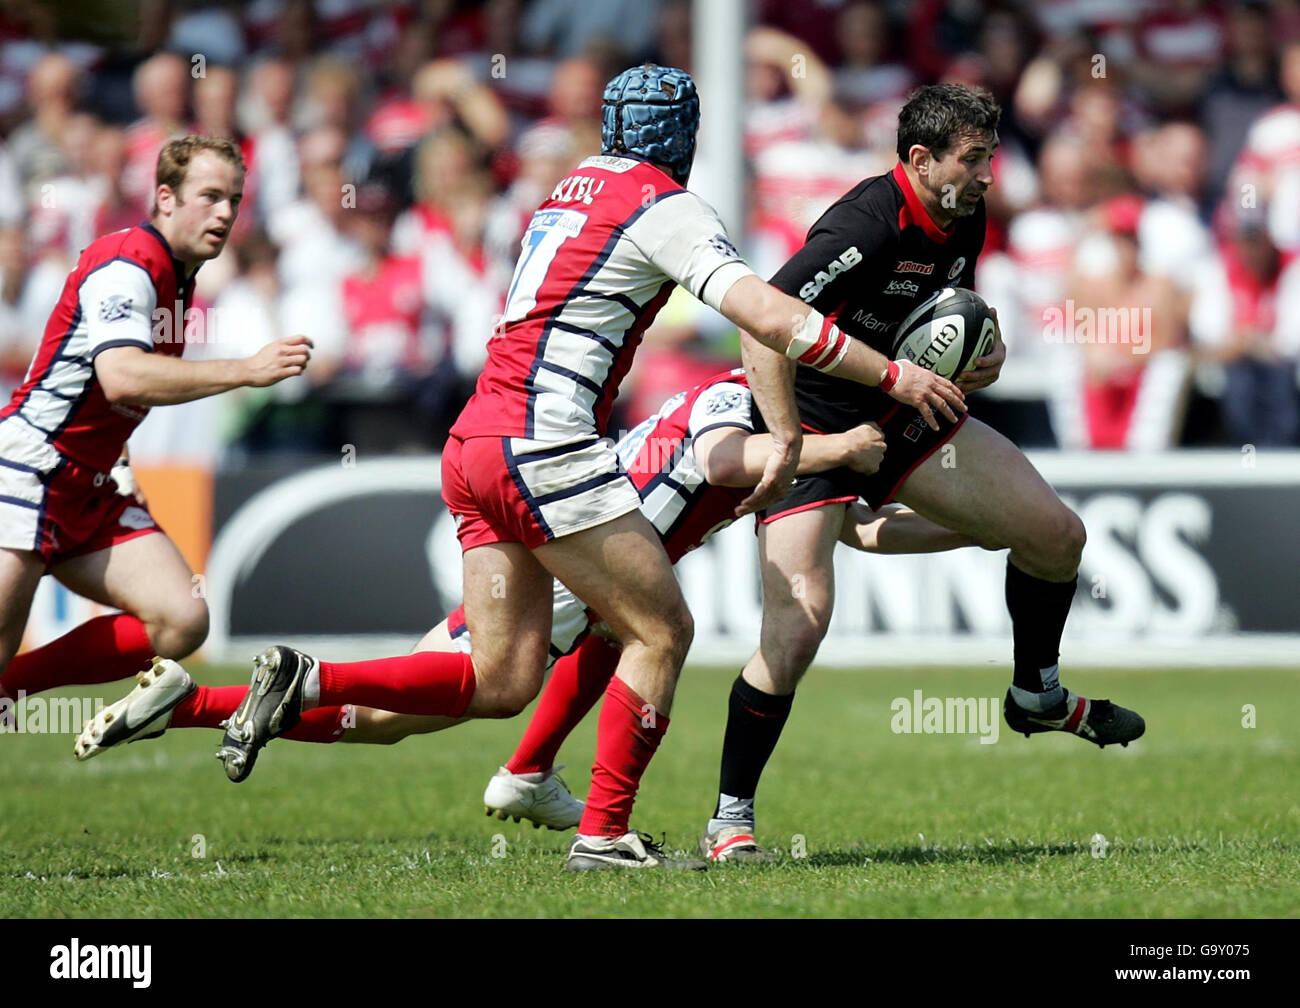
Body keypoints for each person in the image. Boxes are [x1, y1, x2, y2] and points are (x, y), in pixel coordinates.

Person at [212, 65, 966, 872]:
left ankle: (309, 679)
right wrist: (893, 377)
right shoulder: (665, 206)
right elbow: (768, 314)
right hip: (545, 442)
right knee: (660, 627)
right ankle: (604, 836)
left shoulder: (572, 186)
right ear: (686, 136)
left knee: (501, 678)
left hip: (476, 439)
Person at [80, 369, 973, 837]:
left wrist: (972, 529)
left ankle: (527, 773)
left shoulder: (763, 420)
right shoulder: (752, 414)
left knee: (617, 639)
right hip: (586, 548)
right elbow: (724, 463)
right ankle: (284, 685)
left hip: (586, 541)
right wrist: (848, 444)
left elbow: (857, 530)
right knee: (407, 710)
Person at [696, 83, 1146, 863]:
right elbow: (762, 326)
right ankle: (730, 820)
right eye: (973, 161)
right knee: (797, 627)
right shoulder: (866, 224)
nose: (988, 176)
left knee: (1055, 537)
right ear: (919, 159)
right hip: (812, 419)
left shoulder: (966, 215)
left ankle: (1036, 693)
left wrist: (983, 352)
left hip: (907, 407)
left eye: (990, 159)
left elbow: (950, 316)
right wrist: (791, 445)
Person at [0, 136, 312, 722]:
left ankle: (10, 688)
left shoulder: (179, 275)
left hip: (88, 483)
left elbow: (94, 390)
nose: (225, 213)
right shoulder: (128, 264)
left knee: (182, 619)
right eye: (211, 196)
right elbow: (120, 377)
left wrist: (117, 463)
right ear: (165, 198)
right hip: (27, 469)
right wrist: (244, 371)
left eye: (235, 200)